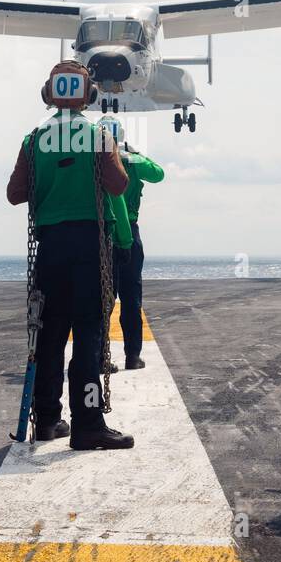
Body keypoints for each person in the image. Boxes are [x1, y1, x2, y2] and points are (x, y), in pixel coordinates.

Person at [6, 61, 135, 449]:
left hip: (50, 250)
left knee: (49, 337)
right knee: (90, 337)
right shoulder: (97, 135)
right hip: (90, 247)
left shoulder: (33, 139)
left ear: (49, 94)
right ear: (88, 96)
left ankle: (46, 421)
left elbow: (15, 194)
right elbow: (118, 184)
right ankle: (89, 424)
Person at [98, 116, 164, 371]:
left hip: (103, 233)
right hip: (130, 234)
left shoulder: (96, 162)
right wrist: (136, 155)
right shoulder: (132, 162)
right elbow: (158, 174)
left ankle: (101, 357)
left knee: (103, 298)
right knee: (131, 298)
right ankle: (132, 356)